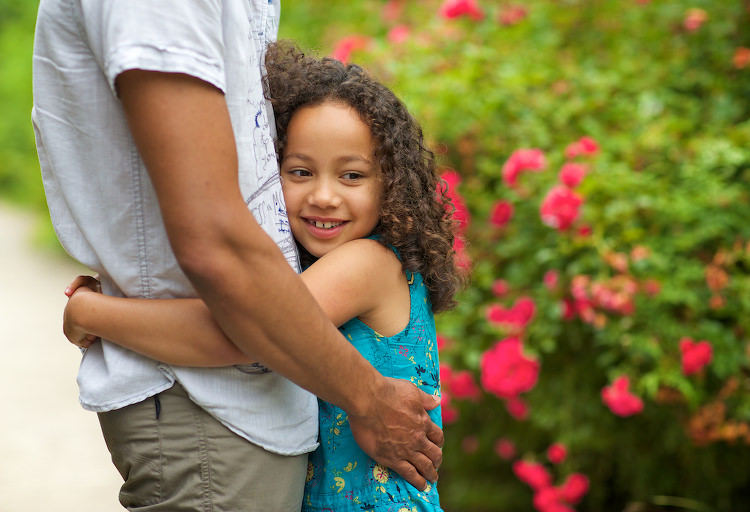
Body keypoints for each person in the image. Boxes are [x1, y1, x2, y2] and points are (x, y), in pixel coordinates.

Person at [32, 2, 443, 510]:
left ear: (393, 187)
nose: (324, 196)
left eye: (351, 175)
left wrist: (92, 311)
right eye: (299, 171)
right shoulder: (322, 264)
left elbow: (240, 331)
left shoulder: (367, 264)